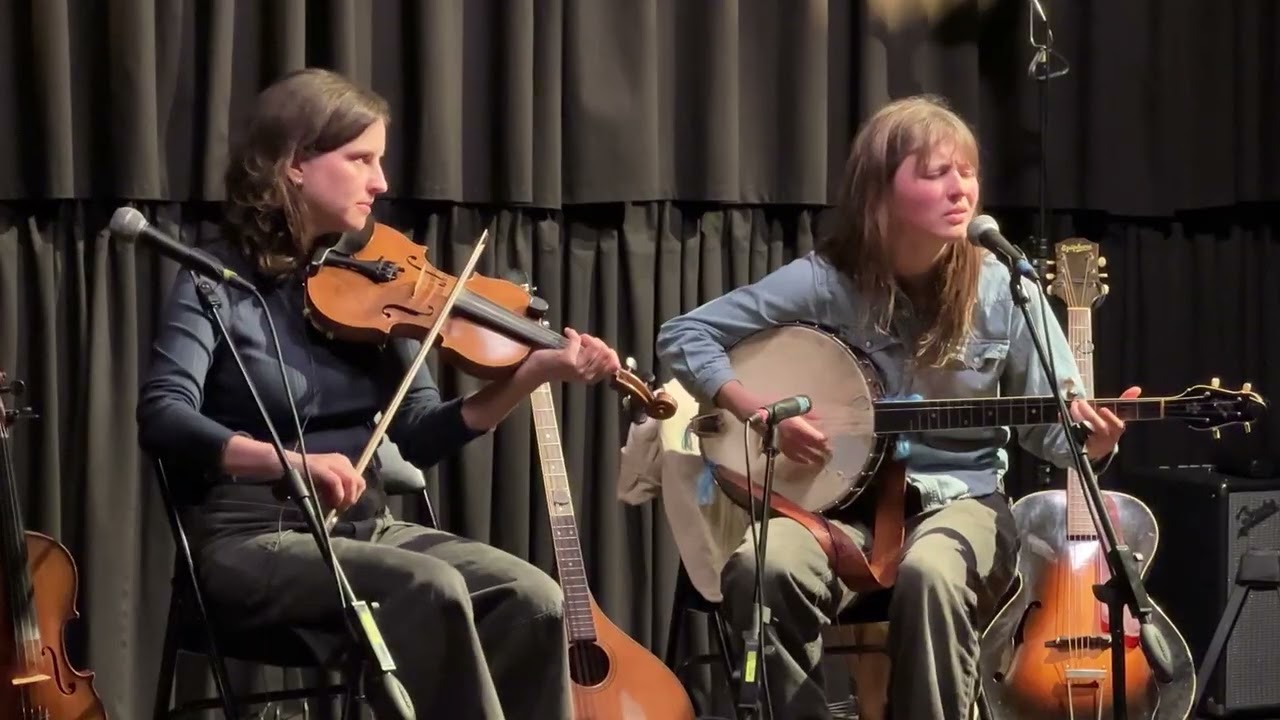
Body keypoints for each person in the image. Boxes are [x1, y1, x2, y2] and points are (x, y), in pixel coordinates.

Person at [136, 68, 621, 720]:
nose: (381, 182)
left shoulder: (371, 285)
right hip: (247, 541)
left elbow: (419, 432)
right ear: (295, 164)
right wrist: (288, 463)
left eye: (380, 160)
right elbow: (163, 414)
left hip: (367, 530)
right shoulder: (214, 281)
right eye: (360, 159)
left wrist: (529, 375)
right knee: (428, 586)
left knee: (532, 597)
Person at [655, 94, 1140, 720]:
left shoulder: (1004, 287)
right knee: (761, 567)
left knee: (931, 575)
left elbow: (1051, 429)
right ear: (879, 192)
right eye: (937, 173)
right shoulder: (826, 281)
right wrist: (756, 409)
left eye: (967, 172)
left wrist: (1092, 443)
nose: (960, 188)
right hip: (837, 508)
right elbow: (684, 333)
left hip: (962, 501)